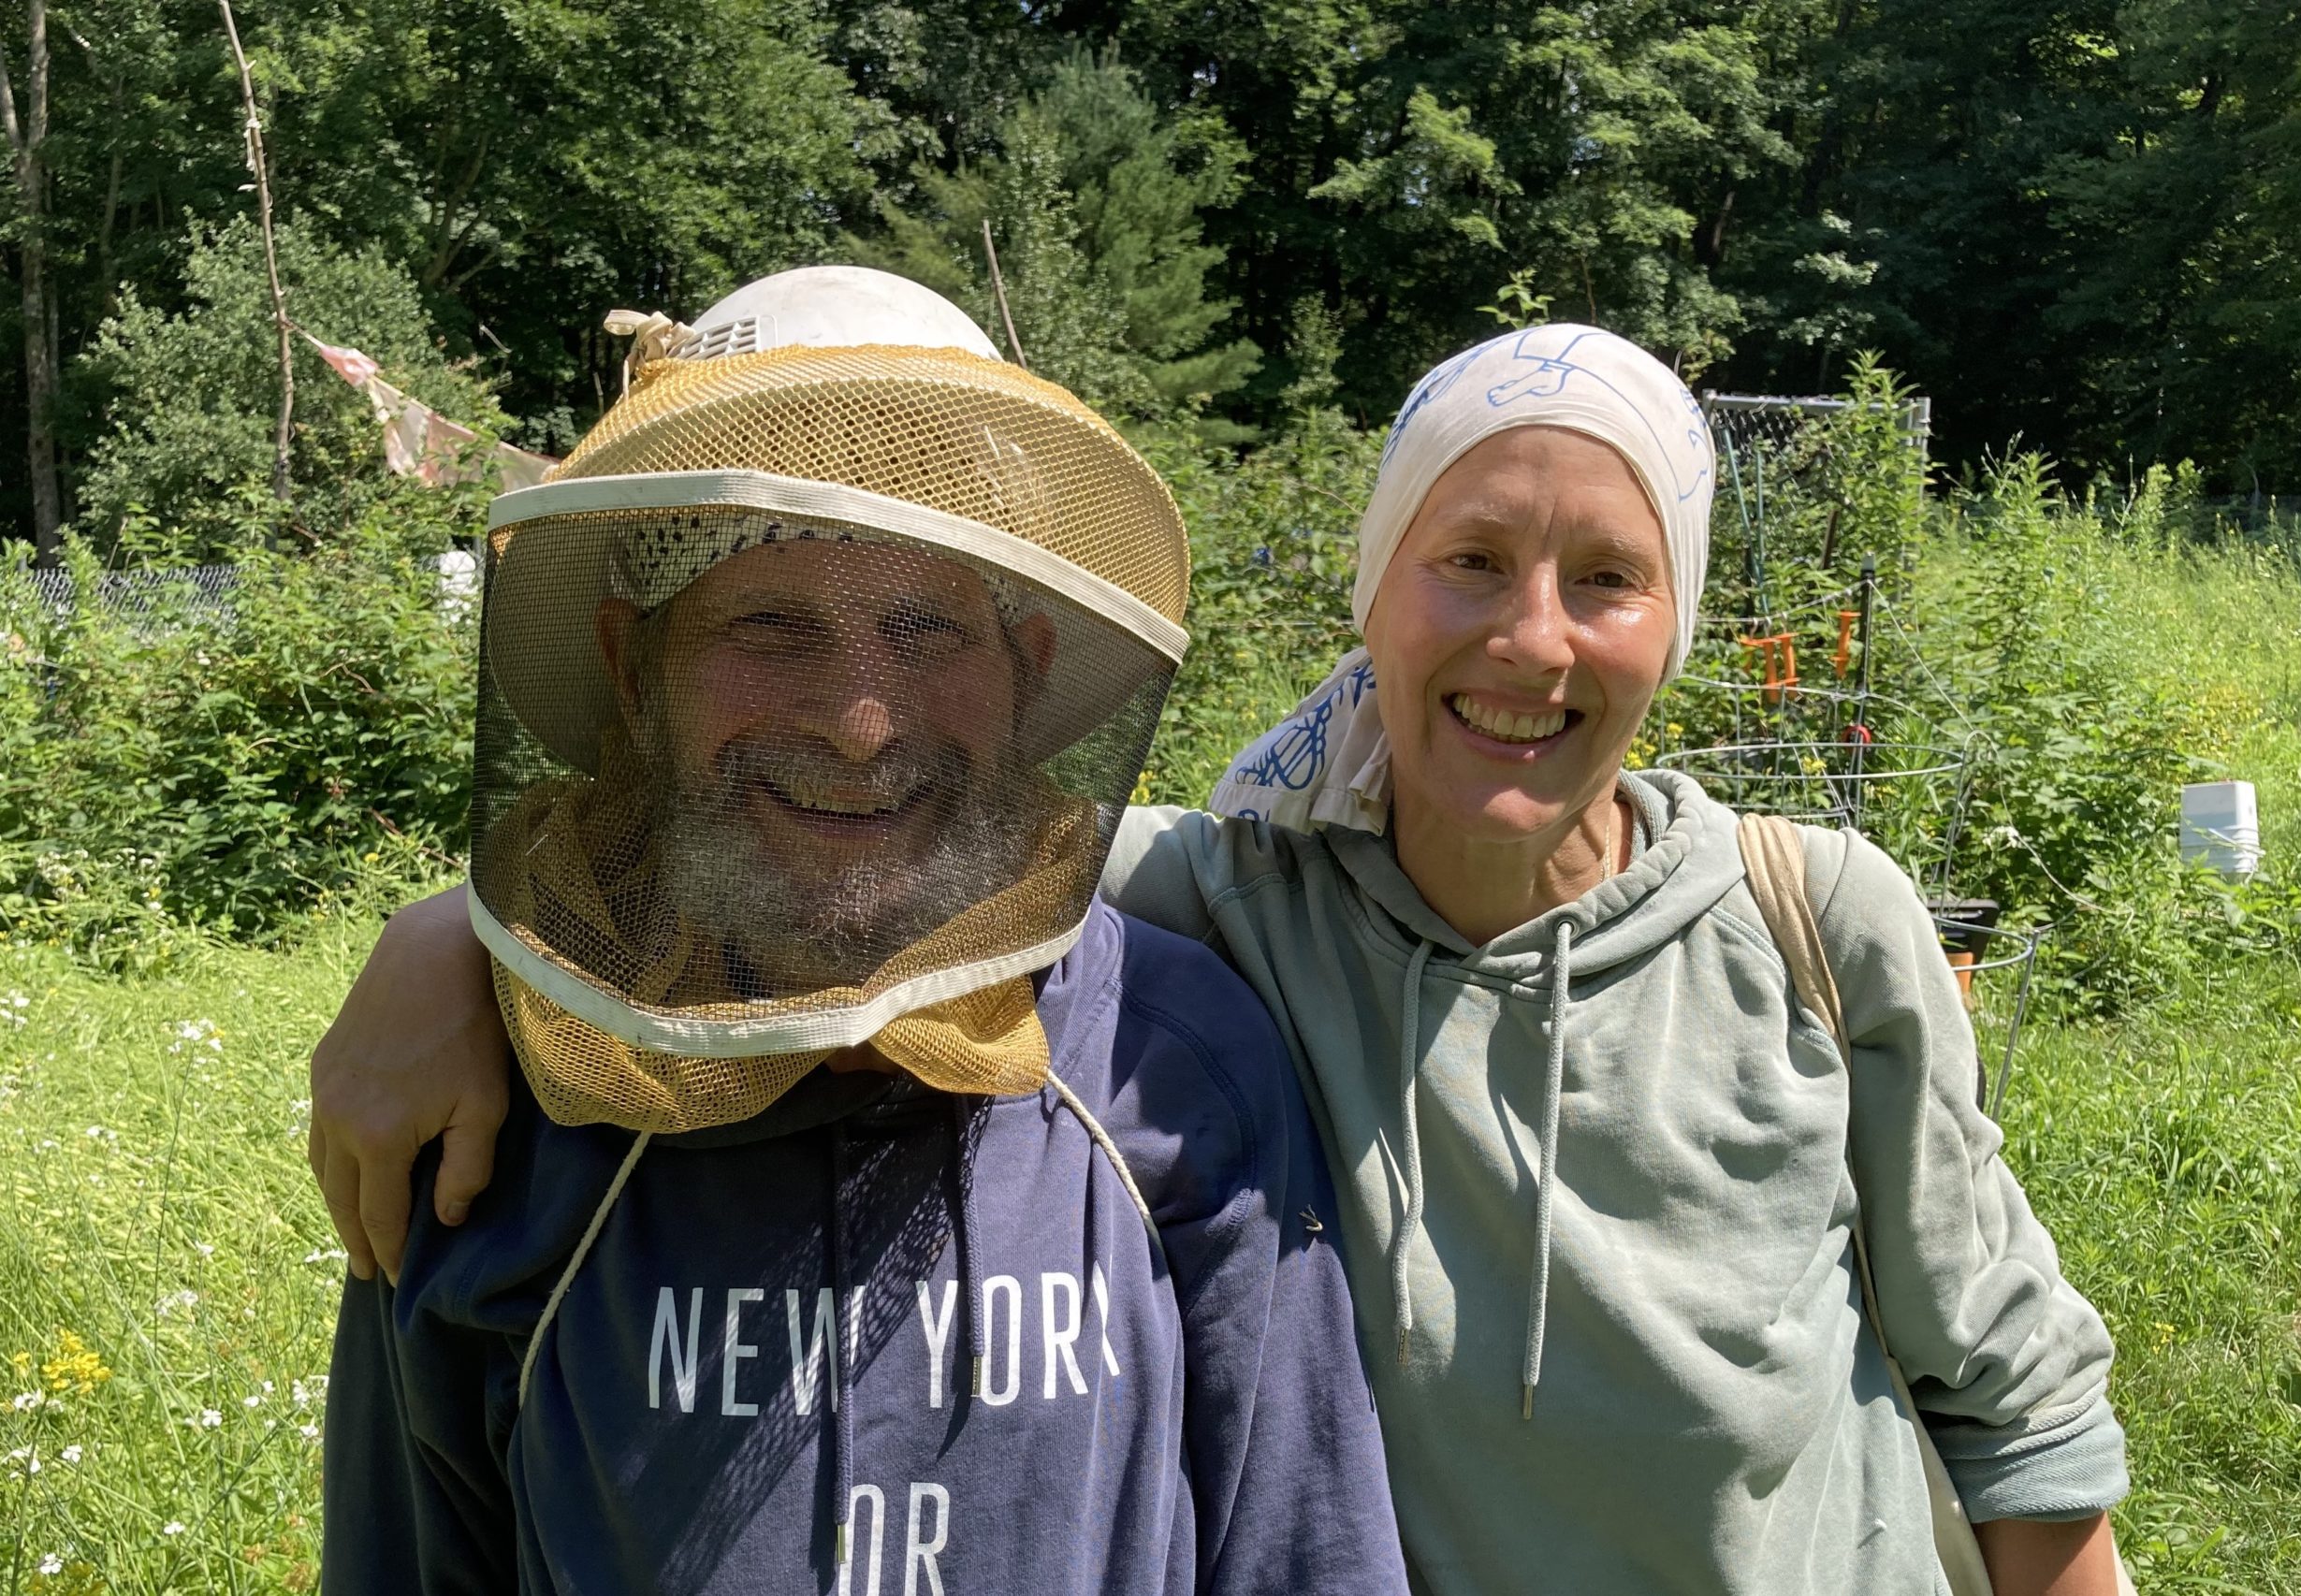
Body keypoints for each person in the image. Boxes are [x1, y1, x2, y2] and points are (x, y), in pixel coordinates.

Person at [314, 319, 2131, 1595]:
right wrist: (462, 938)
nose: (1532, 638)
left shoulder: (1819, 925)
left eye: (1605, 578)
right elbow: (877, 858)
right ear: (1373, 590)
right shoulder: (1225, 907)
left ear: (1678, 623)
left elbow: (2021, 1412)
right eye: (1470, 559)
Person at [318, 267, 1405, 1596]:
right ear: (631, 667)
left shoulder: (1179, 1065)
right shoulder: (488, 1113)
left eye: (927, 626)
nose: (859, 723)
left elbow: (1303, 1553)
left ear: (1028, 669)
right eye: (768, 625)